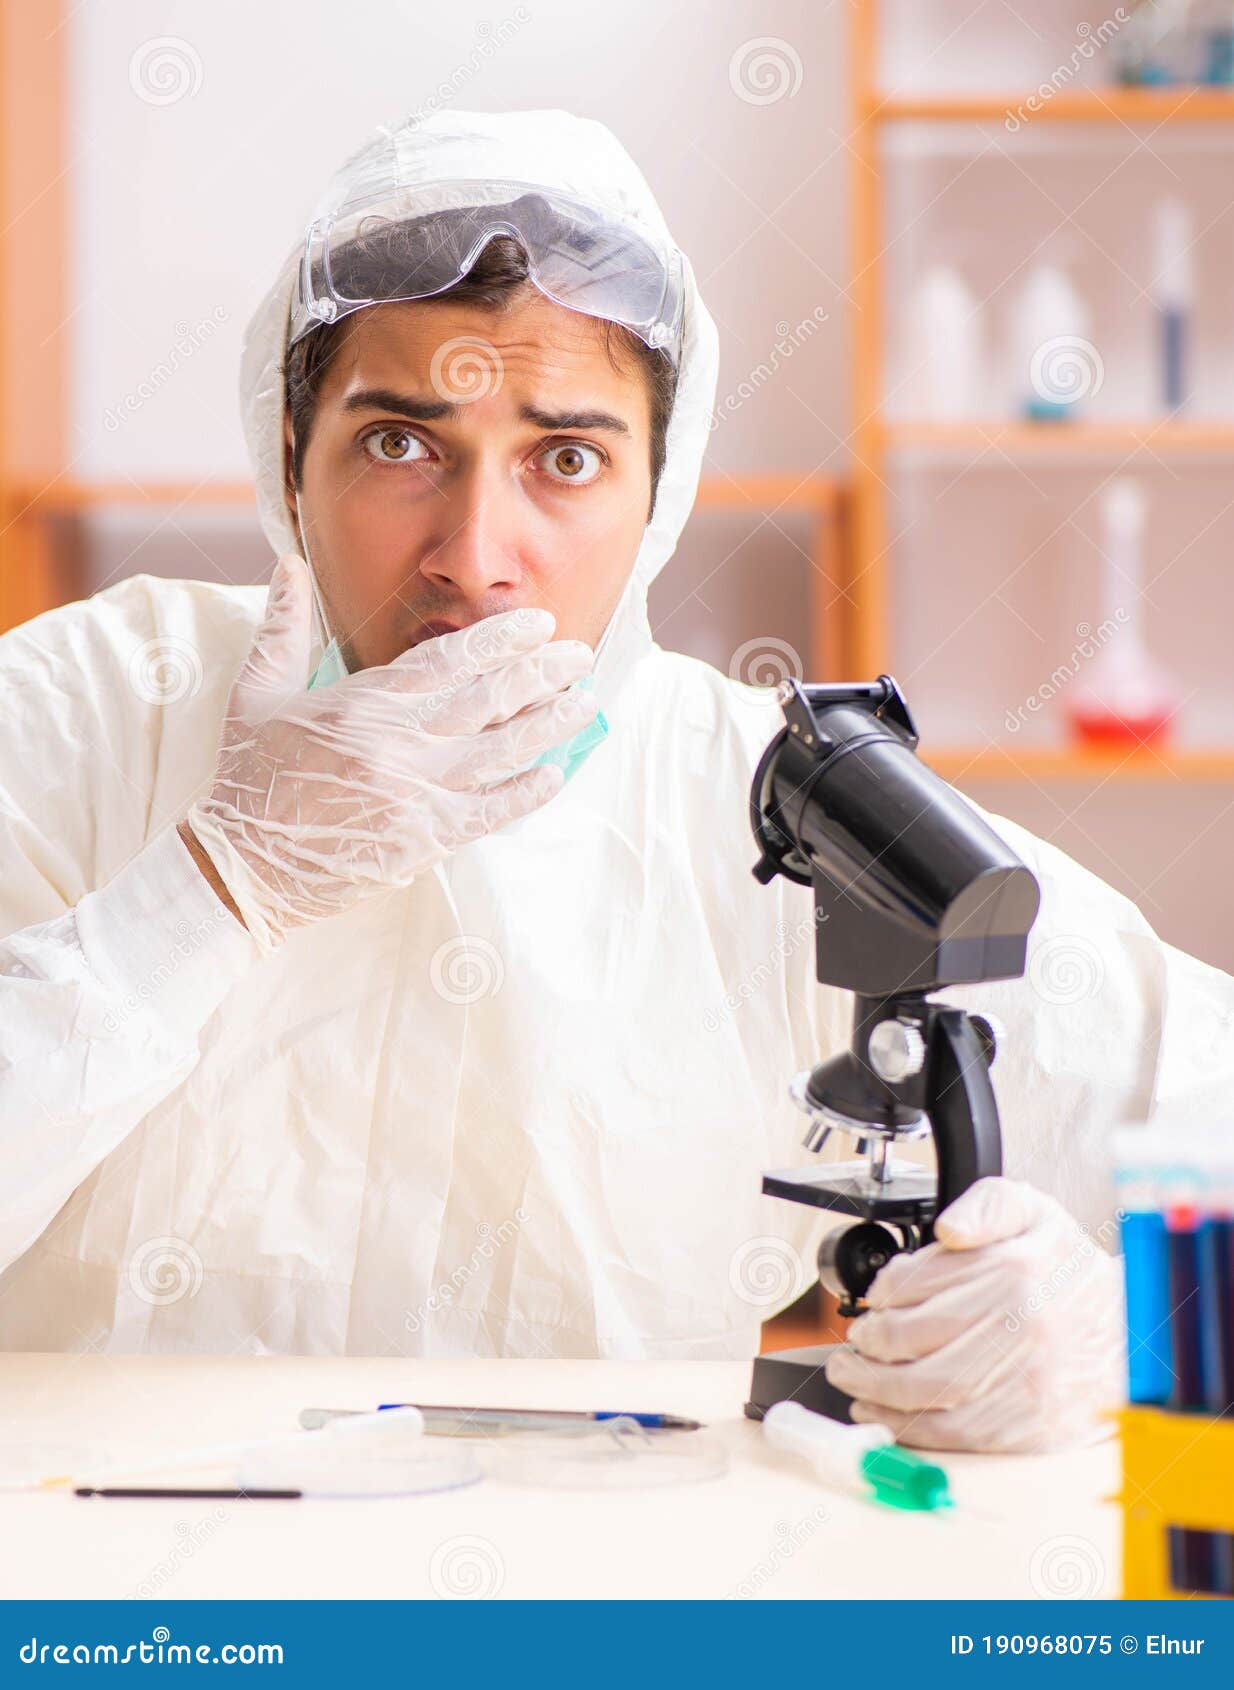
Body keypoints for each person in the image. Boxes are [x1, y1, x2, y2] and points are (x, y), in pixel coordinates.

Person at [1, 110, 1231, 1455]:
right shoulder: (86, 715)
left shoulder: (776, 806)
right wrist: (213, 886)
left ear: (658, 498)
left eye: (566, 458)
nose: (475, 555)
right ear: (288, 459)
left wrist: (1128, 1329)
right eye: (401, 442)